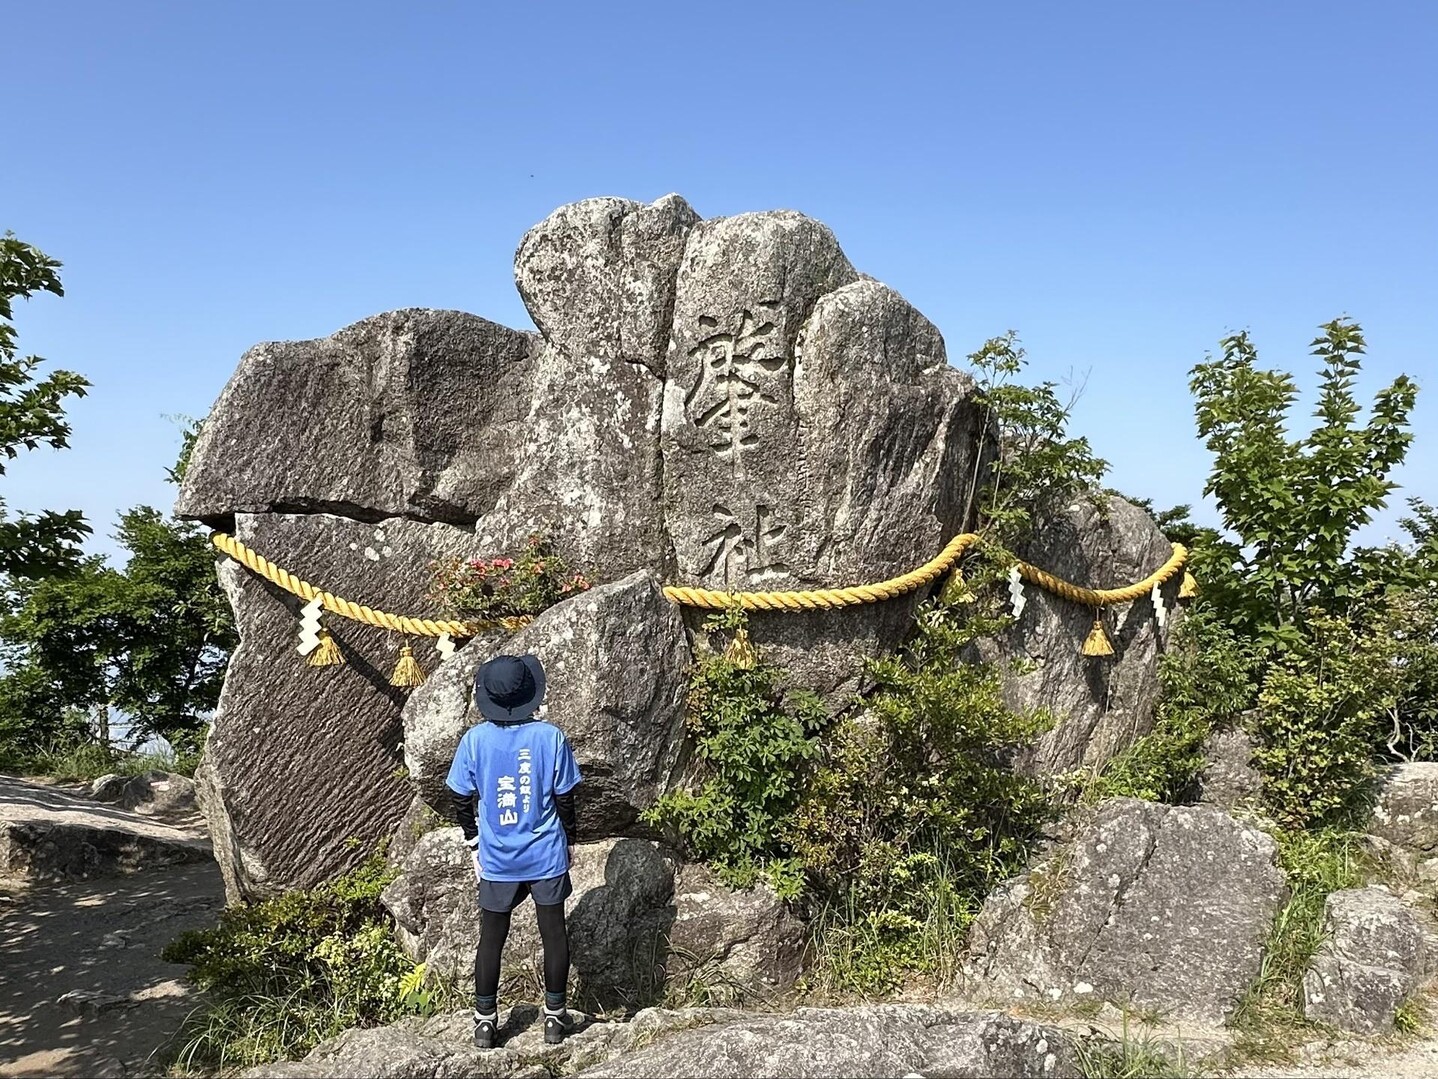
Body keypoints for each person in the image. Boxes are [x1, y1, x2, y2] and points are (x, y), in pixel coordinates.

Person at [446, 653, 582, 1049]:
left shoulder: (475, 740)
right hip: (545, 853)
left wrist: (473, 839)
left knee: (491, 938)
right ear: (529, 695)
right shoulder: (550, 737)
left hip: (497, 856)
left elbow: (458, 795)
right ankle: (555, 1019)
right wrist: (570, 840)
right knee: (554, 933)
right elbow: (566, 797)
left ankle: (485, 1023)